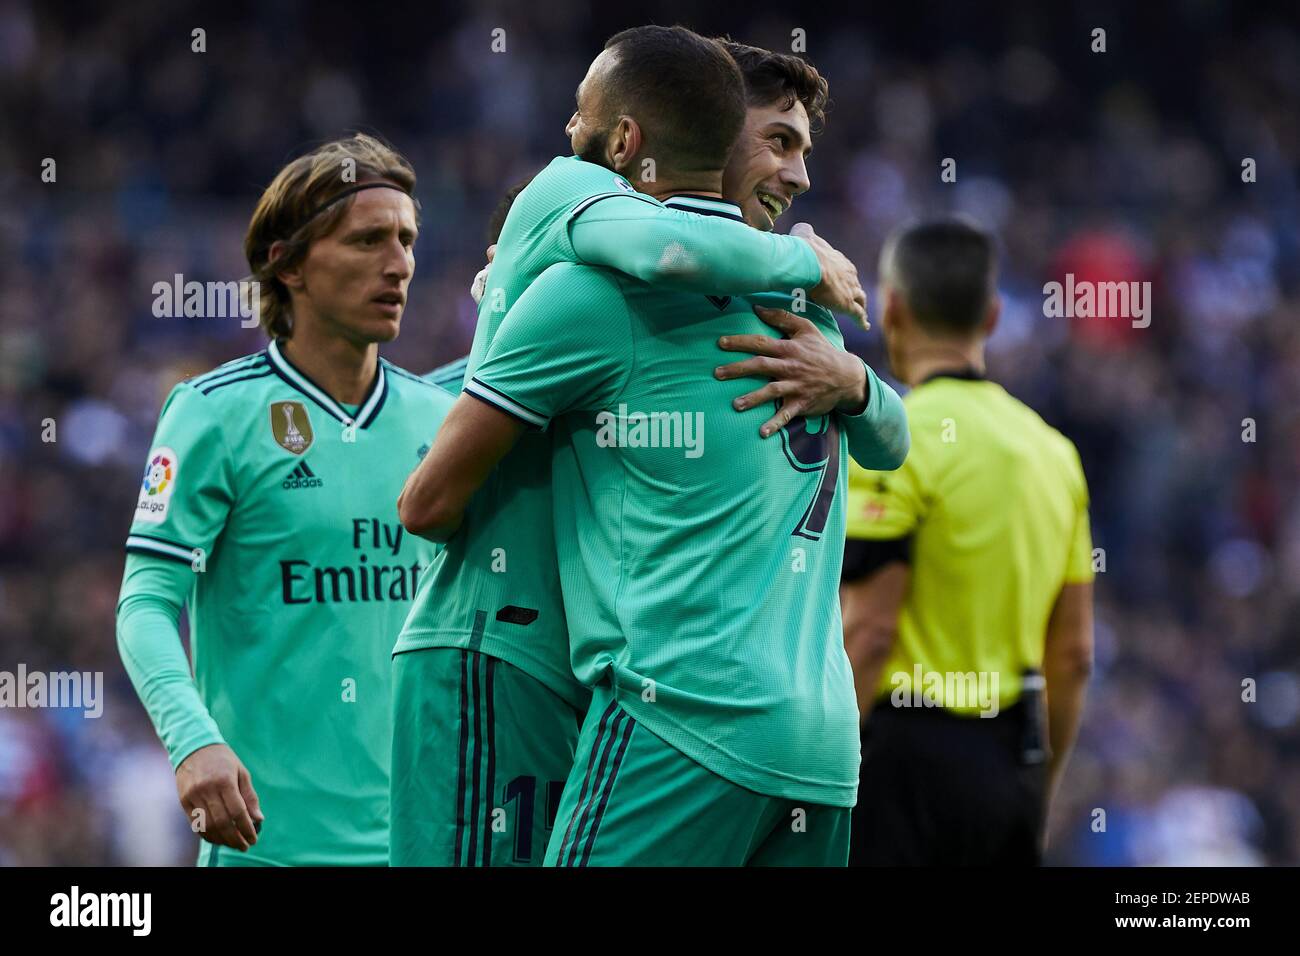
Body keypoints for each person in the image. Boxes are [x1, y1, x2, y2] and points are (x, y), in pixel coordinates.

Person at [402, 37, 909, 866]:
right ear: (715, 130)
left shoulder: (610, 295)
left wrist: (853, 376)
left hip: (672, 712)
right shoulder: (795, 305)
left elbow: (424, 504)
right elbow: (893, 440)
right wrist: (830, 319)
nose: (801, 175)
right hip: (817, 749)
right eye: (779, 141)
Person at [115, 133, 452, 866]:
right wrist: (193, 738)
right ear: (287, 263)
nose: (398, 264)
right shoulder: (211, 414)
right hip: (269, 850)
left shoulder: (442, 419)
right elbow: (144, 604)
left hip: (421, 845)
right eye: (366, 240)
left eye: (406, 239)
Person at [841, 218, 1095, 865]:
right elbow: (1072, 656)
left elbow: (868, 633)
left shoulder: (889, 438)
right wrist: (1037, 787)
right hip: (1004, 761)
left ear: (891, 307)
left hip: (897, 756)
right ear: (993, 315)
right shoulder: (1054, 454)